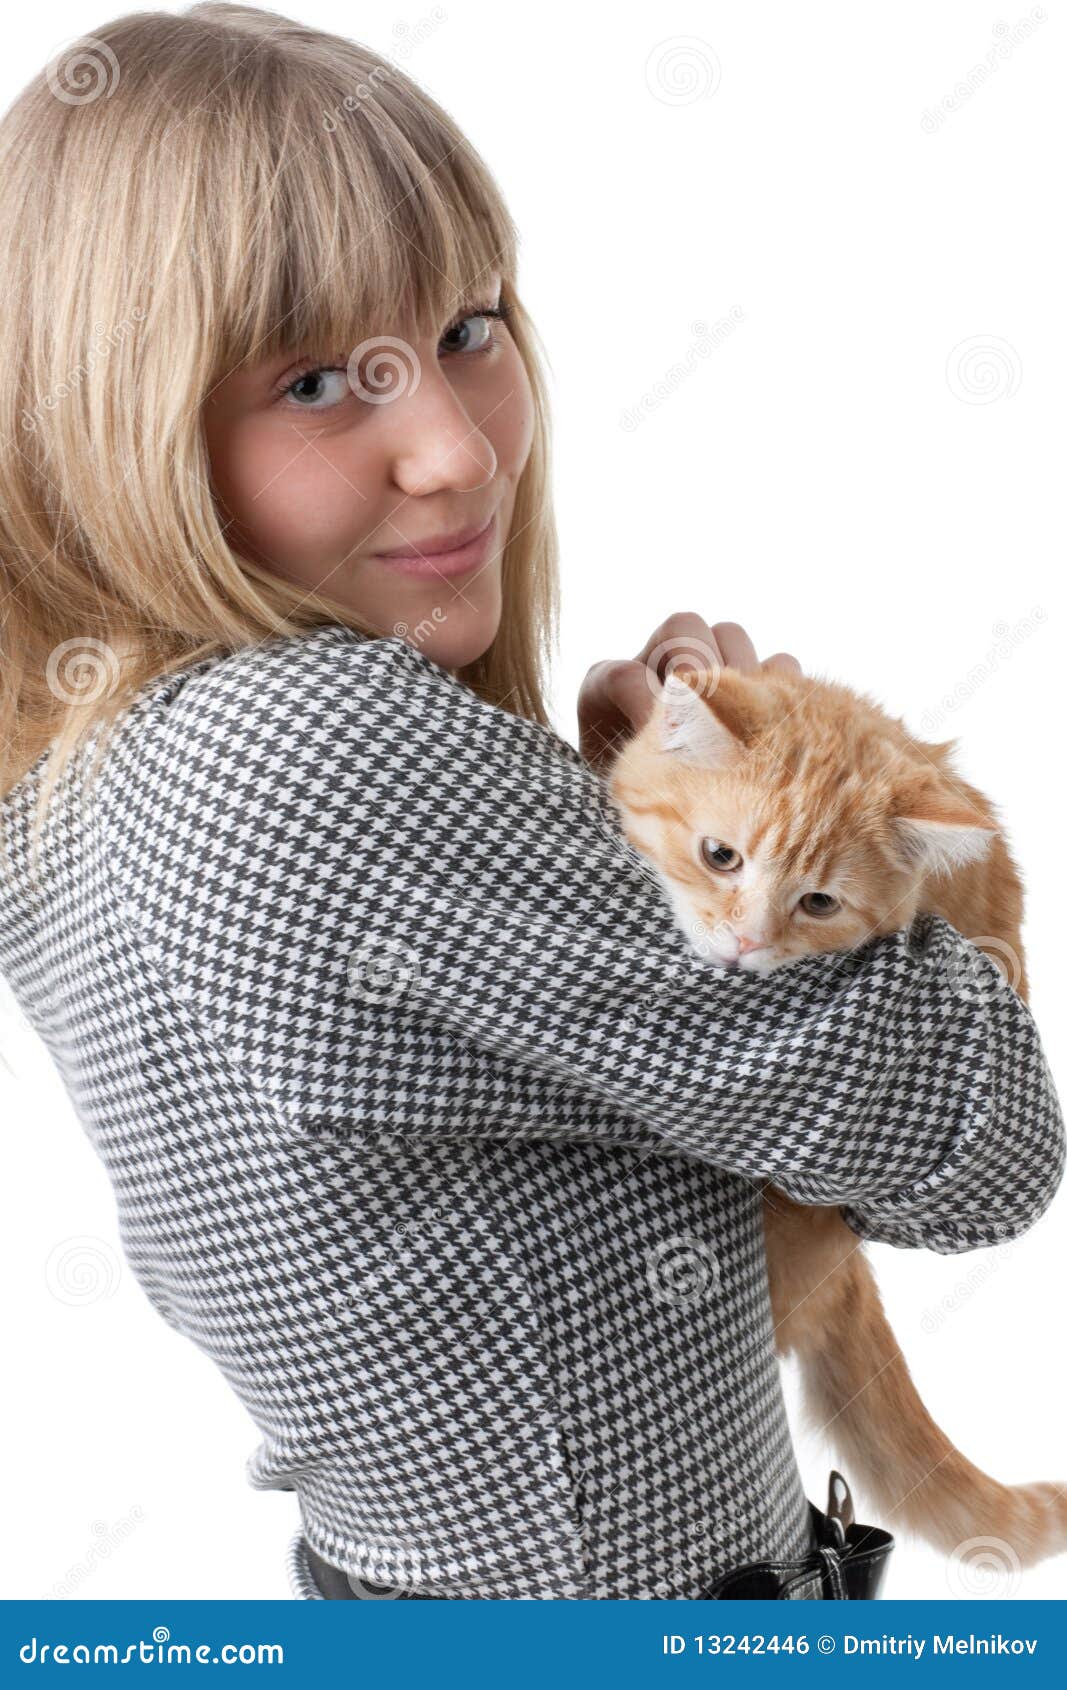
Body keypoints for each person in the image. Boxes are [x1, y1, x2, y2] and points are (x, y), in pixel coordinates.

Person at [0, 4, 1062, 1602]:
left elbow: (469, 1105)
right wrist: (829, 853)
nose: (456, 451)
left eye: (471, 327)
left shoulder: (86, 755)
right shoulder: (307, 747)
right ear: (109, 416)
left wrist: (601, 819)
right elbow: (984, 1155)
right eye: (313, 378)